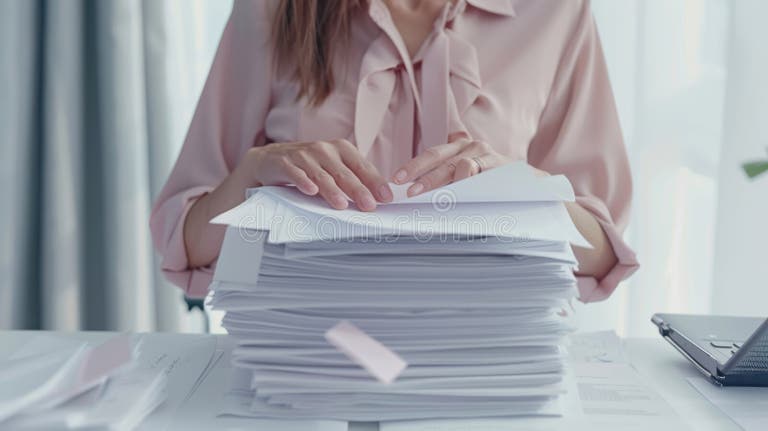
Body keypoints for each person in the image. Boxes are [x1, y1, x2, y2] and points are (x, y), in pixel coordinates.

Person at [150, 0, 639, 303]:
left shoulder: (556, 11)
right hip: (302, 360)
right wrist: (251, 176)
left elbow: (598, 256)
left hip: (487, 369)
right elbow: (184, 245)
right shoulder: (272, 9)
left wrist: (524, 188)